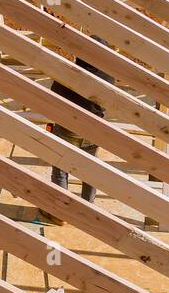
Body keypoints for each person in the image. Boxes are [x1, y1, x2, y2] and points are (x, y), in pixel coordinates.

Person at [40, 40, 114, 224]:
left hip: (68, 129)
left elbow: (55, 95)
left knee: (61, 169)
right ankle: (86, 211)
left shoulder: (68, 73)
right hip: (93, 132)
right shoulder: (108, 77)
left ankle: (60, 214)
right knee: (89, 170)